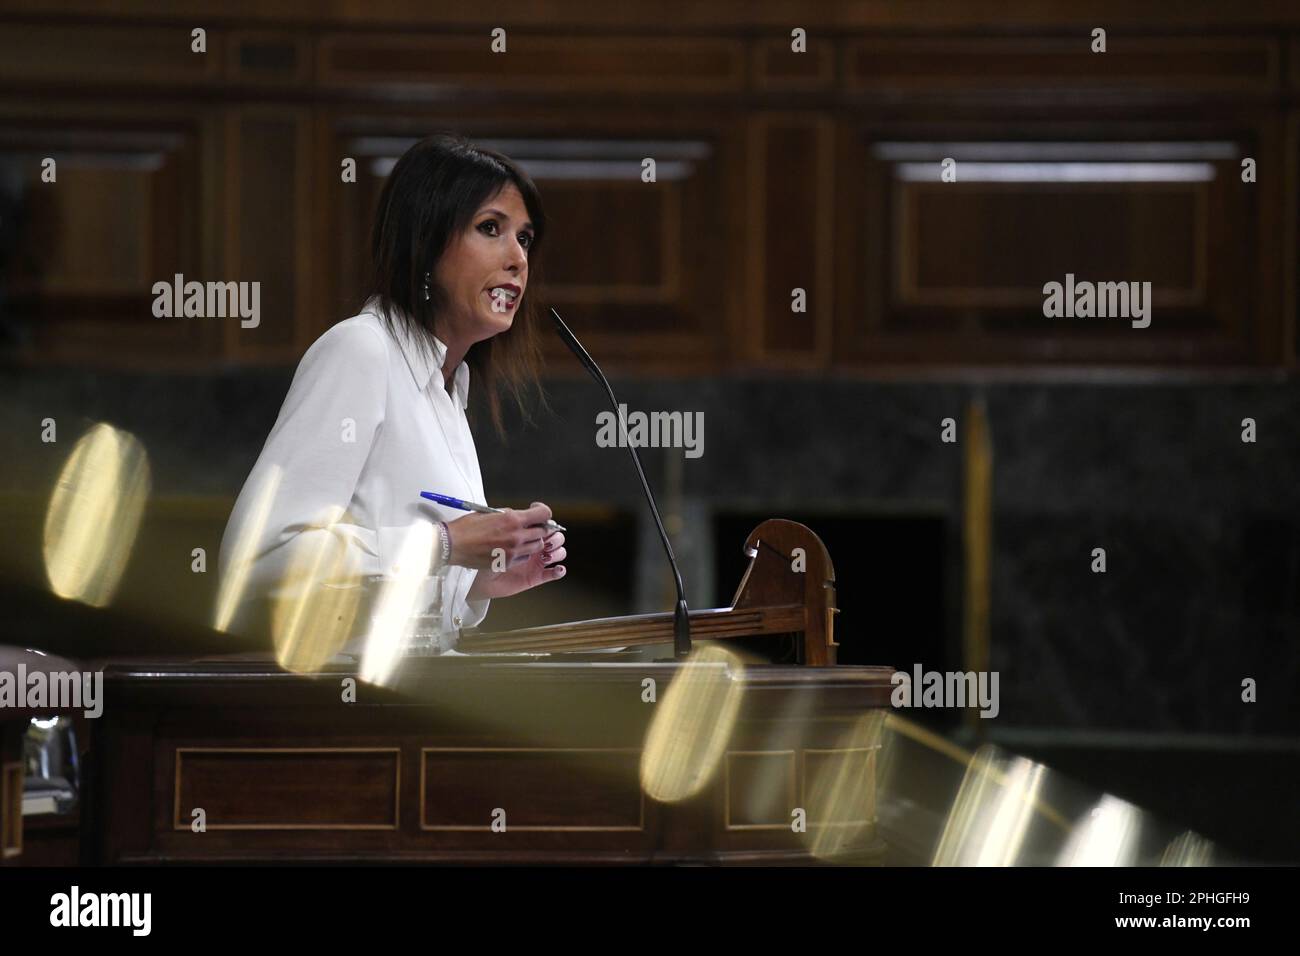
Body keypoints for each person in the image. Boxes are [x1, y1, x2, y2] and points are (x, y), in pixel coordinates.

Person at [216, 133, 566, 663]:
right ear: (424, 243)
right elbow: (259, 558)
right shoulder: (362, 350)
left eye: (525, 238)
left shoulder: (449, 388)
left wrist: (480, 579)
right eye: (491, 229)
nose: (518, 258)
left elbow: (388, 590)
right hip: (332, 715)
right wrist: (444, 545)